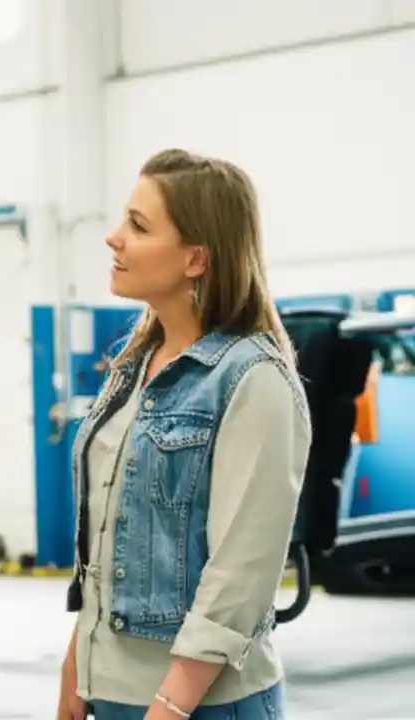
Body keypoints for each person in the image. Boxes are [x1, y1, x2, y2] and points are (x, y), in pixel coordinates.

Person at [55, 149, 312, 720]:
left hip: (199, 703)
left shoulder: (252, 379)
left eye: (138, 226)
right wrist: (77, 667)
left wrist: (170, 705)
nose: (113, 239)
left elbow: (240, 575)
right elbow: (105, 539)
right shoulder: (133, 364)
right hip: (111, 693)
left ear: (196, 258)